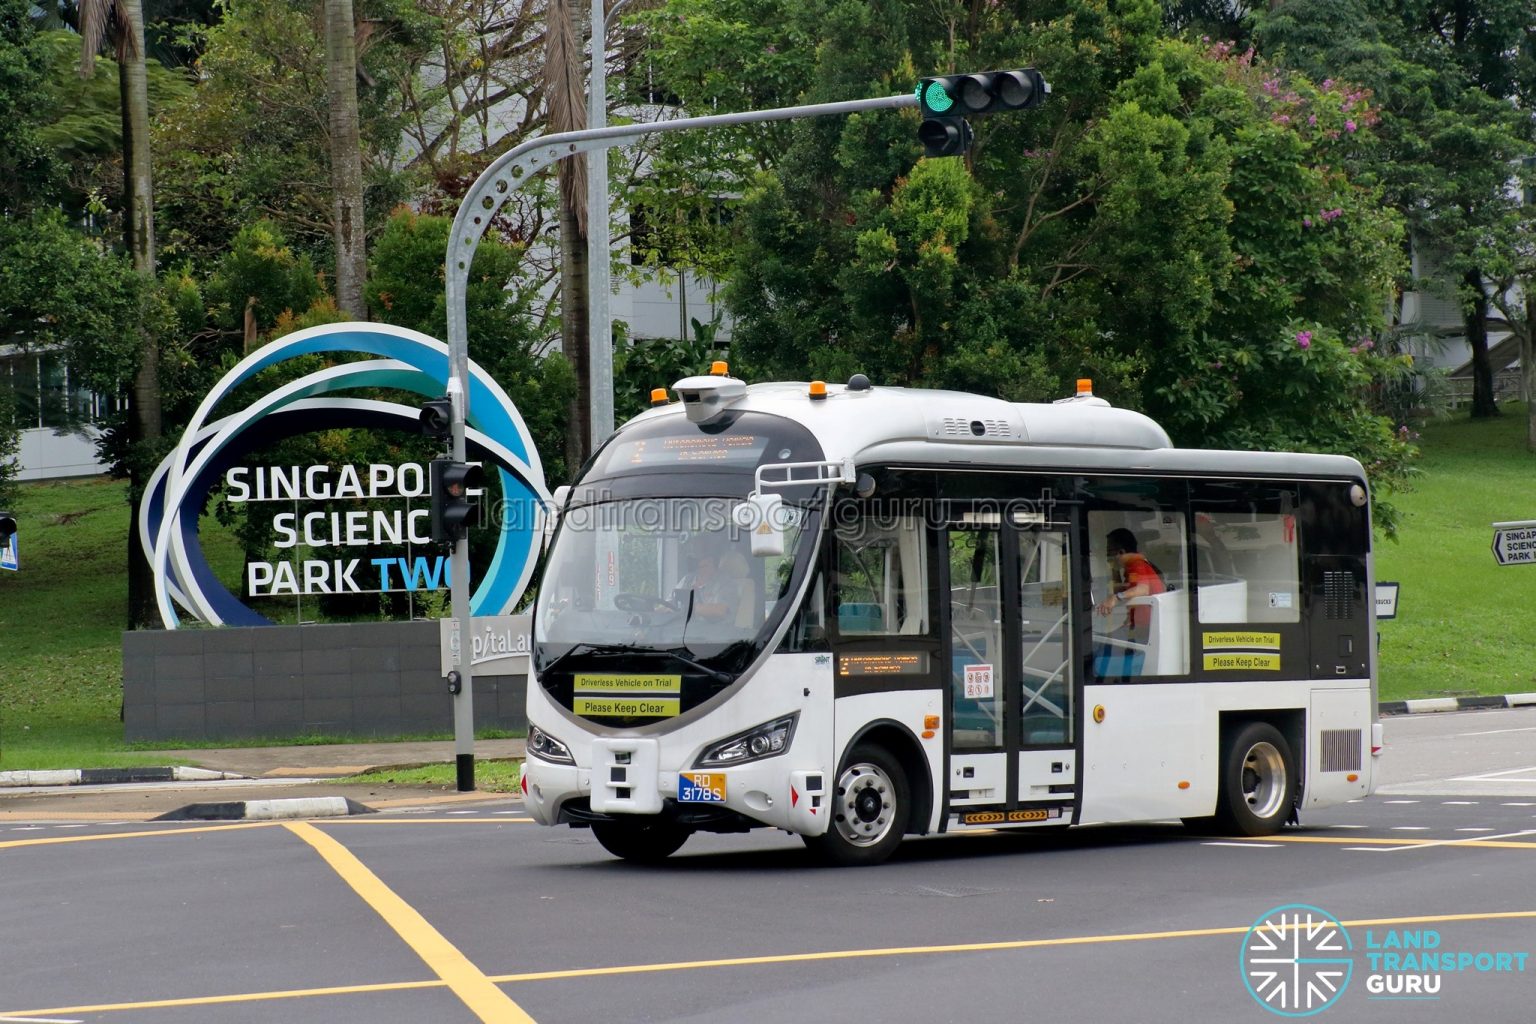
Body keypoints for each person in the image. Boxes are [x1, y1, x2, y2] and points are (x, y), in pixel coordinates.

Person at [1094, 528, 1165, 641]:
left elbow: (1142, 589)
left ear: (1121, 552)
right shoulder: (1130, 569)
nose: (1107, 557)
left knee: (1102, 644)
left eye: (1109, 553)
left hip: (1146, 628)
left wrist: (1116, 598)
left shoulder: (1137, 565)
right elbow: (1120, 590)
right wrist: (1114, 570)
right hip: (1136, 625)